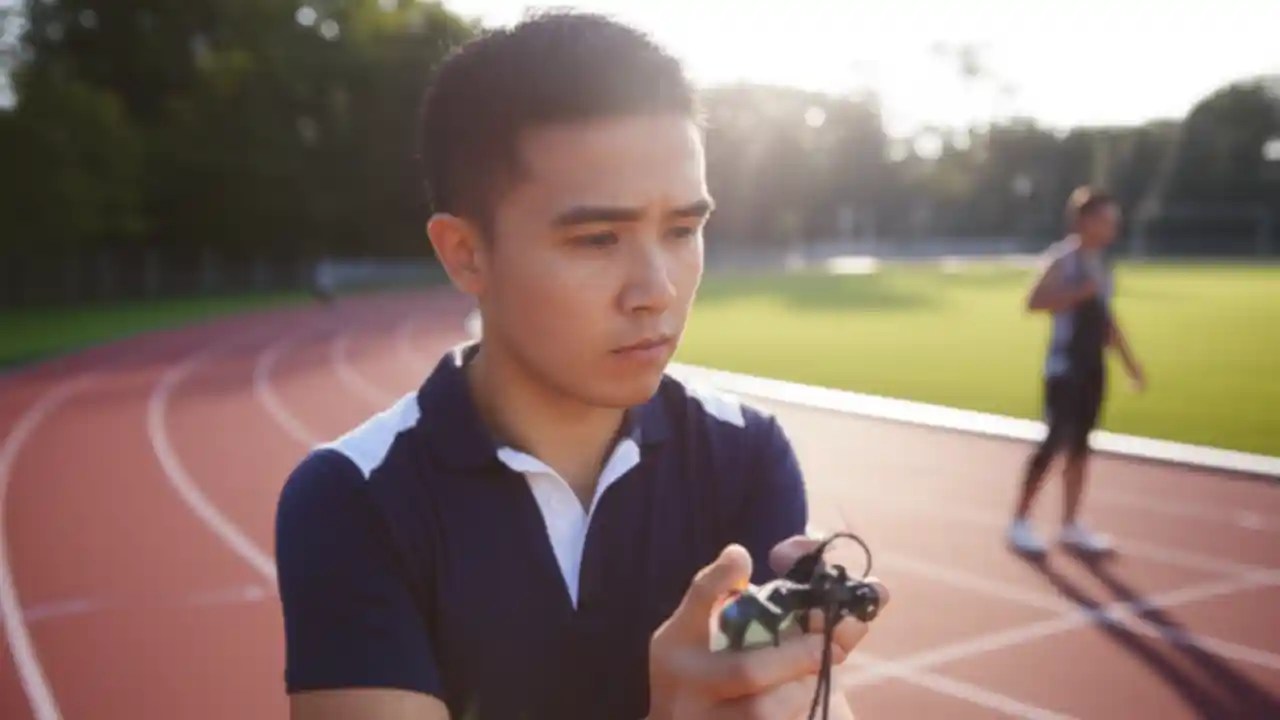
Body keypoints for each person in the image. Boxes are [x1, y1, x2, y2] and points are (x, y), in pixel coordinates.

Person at [274, 13, 887, 720]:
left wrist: (810, 690)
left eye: (684, 231)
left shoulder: (746, 454)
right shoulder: (355, 498)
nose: (656, 289)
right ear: (465, 253)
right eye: (598, 239)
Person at [1007, 187, 1146, 556]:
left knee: (1082, 446)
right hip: (1064, 365)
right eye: (1105, 220)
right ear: (1084, 221)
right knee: (1054, 442)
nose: (1112, 227)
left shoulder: (1103, 264)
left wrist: (1130, 363)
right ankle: (1019, 520)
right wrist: (1077, 292)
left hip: (1092, 365)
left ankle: (1069, 524)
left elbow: (1105, 319)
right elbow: (1034, 302)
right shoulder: (1063, 260)